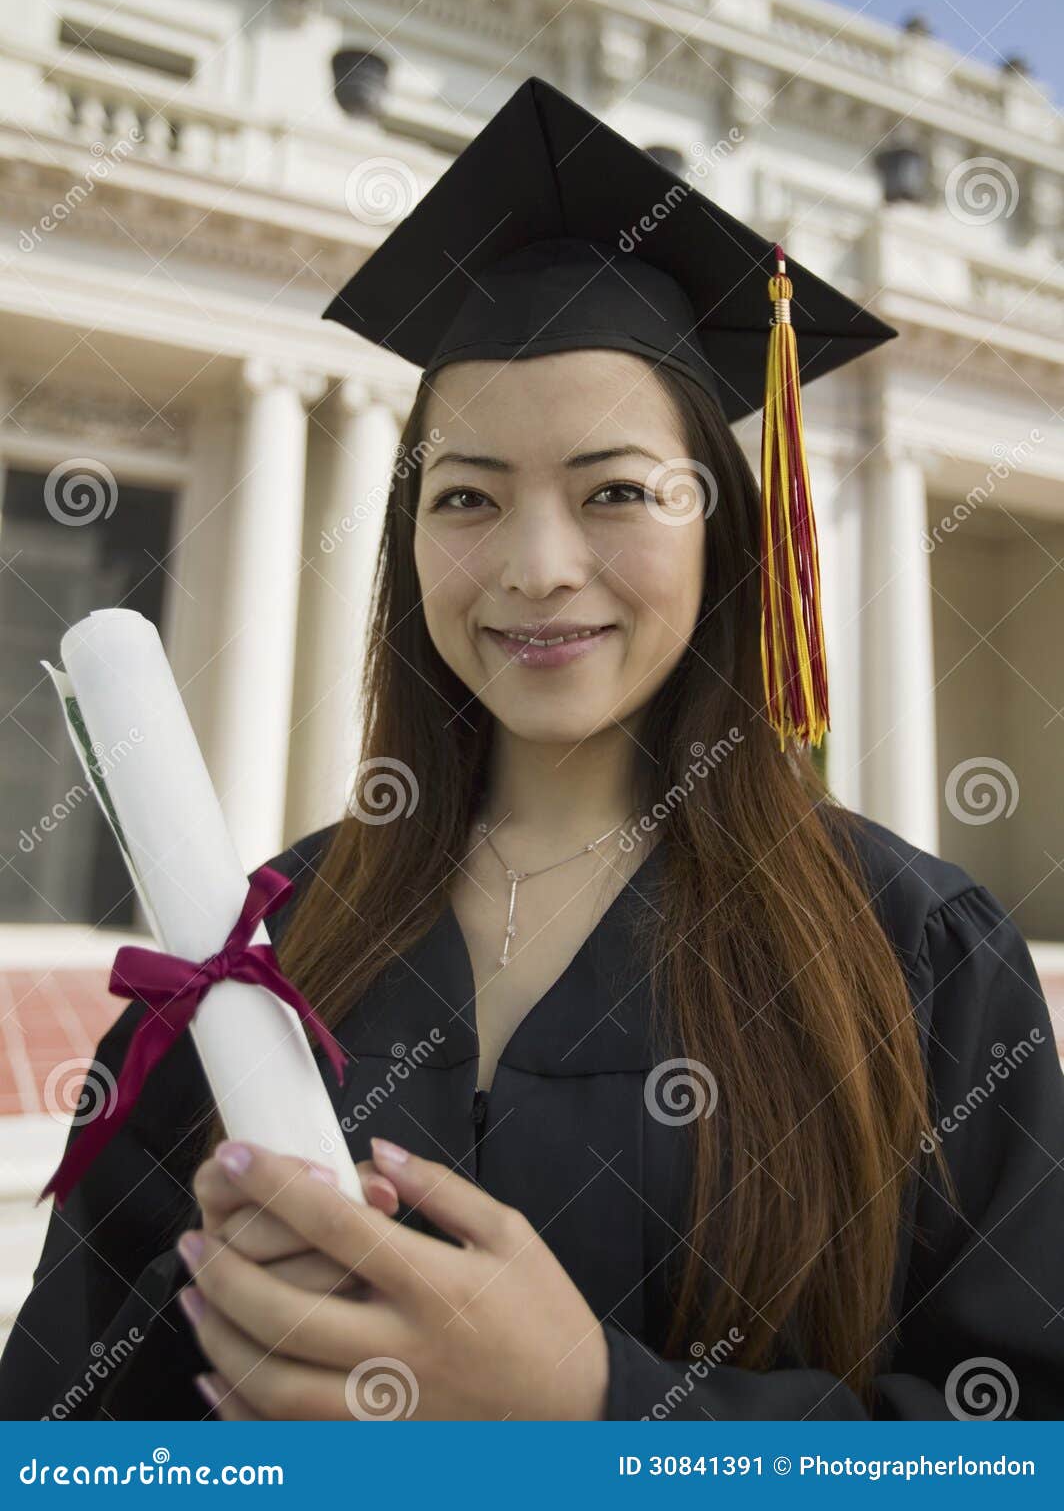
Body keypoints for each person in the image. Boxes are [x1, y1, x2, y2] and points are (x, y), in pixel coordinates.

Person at [1, 77, 1061, 1421]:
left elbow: (1025, 1445)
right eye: (467, 498)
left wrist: (592, 1410)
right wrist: (198, 1346)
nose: (536, 567)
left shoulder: (918, 957)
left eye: (616, 489)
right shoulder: (252, 956)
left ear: (724, 533)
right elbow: (54, 1436)